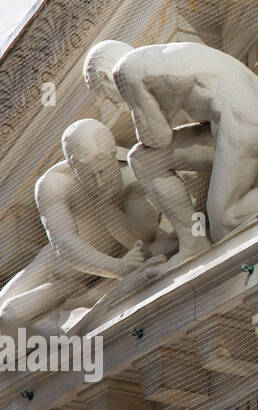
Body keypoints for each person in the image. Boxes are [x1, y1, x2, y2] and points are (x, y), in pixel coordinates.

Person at [83, 40, 258, 259]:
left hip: (247, 123)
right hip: (245, 123)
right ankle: (192, 243)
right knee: (143, 159)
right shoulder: (163, 57)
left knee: (224, 222)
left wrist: (136, 109)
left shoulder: (125, 70)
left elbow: (157, 138)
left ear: (104, 77)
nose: (114, 104)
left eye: (107, 97)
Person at [0, 119, 171, 333]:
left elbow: (163, 238)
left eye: (103, 172)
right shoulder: (55, 183)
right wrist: (118, 267)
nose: (99, 182)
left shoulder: (135, 177)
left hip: (90, 281)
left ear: (112, 156)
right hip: (56, 267)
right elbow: (65, 245)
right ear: (72, 166)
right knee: (3, 317)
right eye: (89, 175)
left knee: (11, 315)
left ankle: (58, 328)